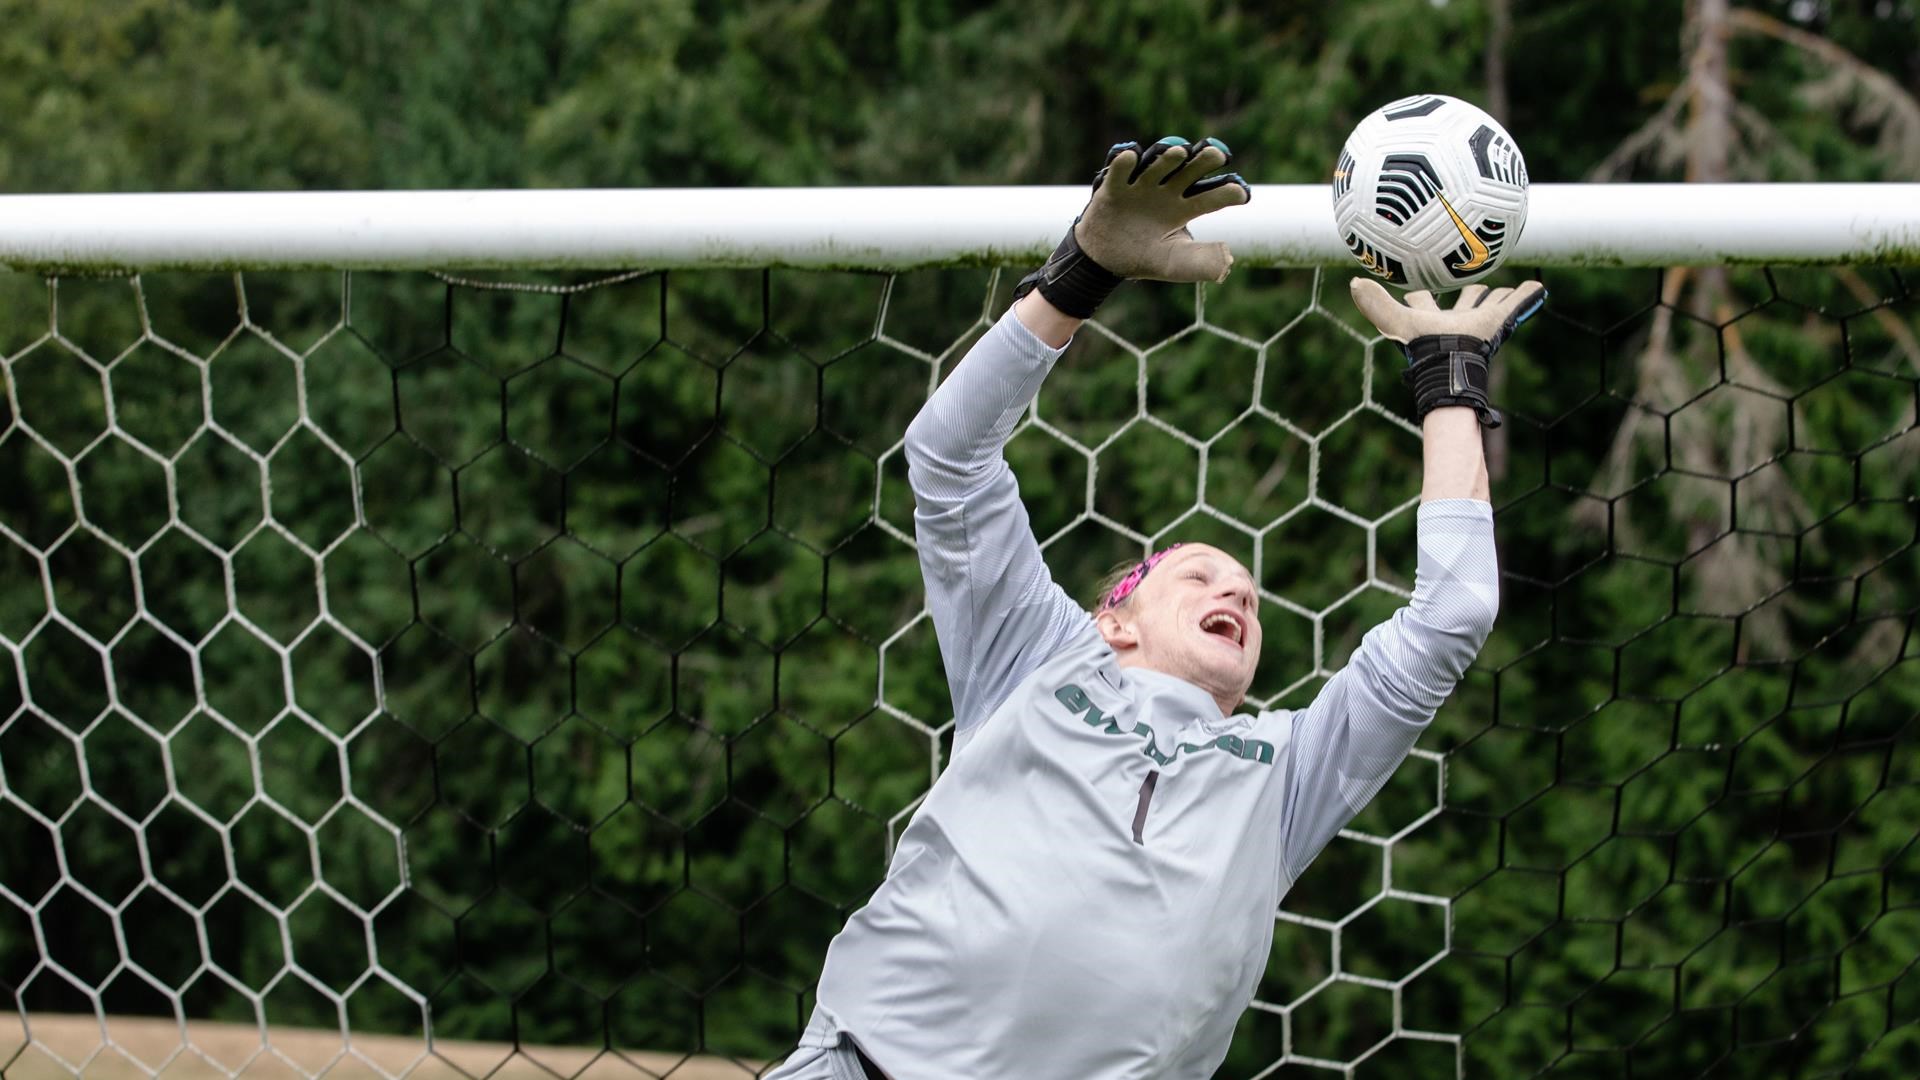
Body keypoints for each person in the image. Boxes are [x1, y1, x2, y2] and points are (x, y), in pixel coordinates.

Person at [763, 137, 1544, 1080]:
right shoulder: (1037, 660)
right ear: (1115, 618)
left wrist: (1447, 381)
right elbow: (948, 457)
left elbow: (1448, 618)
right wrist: (1080, 273)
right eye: (1199, 574)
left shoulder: (1285, 772)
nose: (1237, 590)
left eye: (1246, 593)